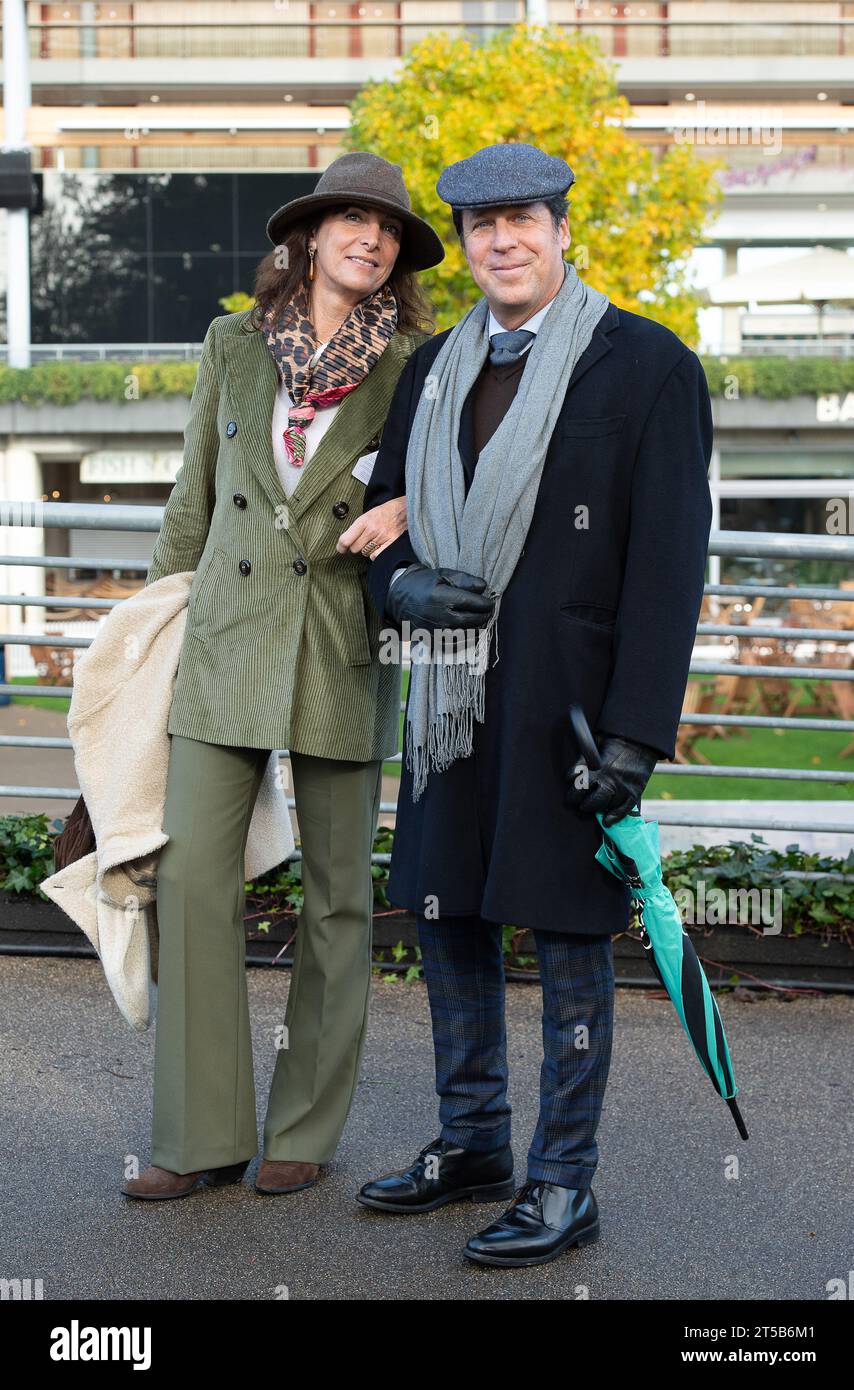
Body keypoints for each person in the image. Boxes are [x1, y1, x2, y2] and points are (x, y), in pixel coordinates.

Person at [355, 142, 713, 1266]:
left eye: (520, 221)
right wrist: (397, 583)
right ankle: (472, 1145)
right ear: (461, 245)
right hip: (450, 699)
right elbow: (380, 526)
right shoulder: (430, 372)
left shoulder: (644, 364)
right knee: (446, 919)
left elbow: (668, 564)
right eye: (478, 227)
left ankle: (564, 1182)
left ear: (561, 228)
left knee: (564, 935)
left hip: (569, 705)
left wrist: (636, 737)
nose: (500, 242)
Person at [121, 152, 444, 1200]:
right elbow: (193, 500)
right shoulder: (230, 345)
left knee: (339, 897)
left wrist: (409, 511)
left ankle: (302, 1123)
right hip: (221, 639)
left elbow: (449, 492)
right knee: (191, 882)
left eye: (389, 230)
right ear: (307, 236)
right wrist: (150, 637)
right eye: (353, 219)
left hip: (340, 643)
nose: (373, 238)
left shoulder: (418, 366)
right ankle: (196, 1132)